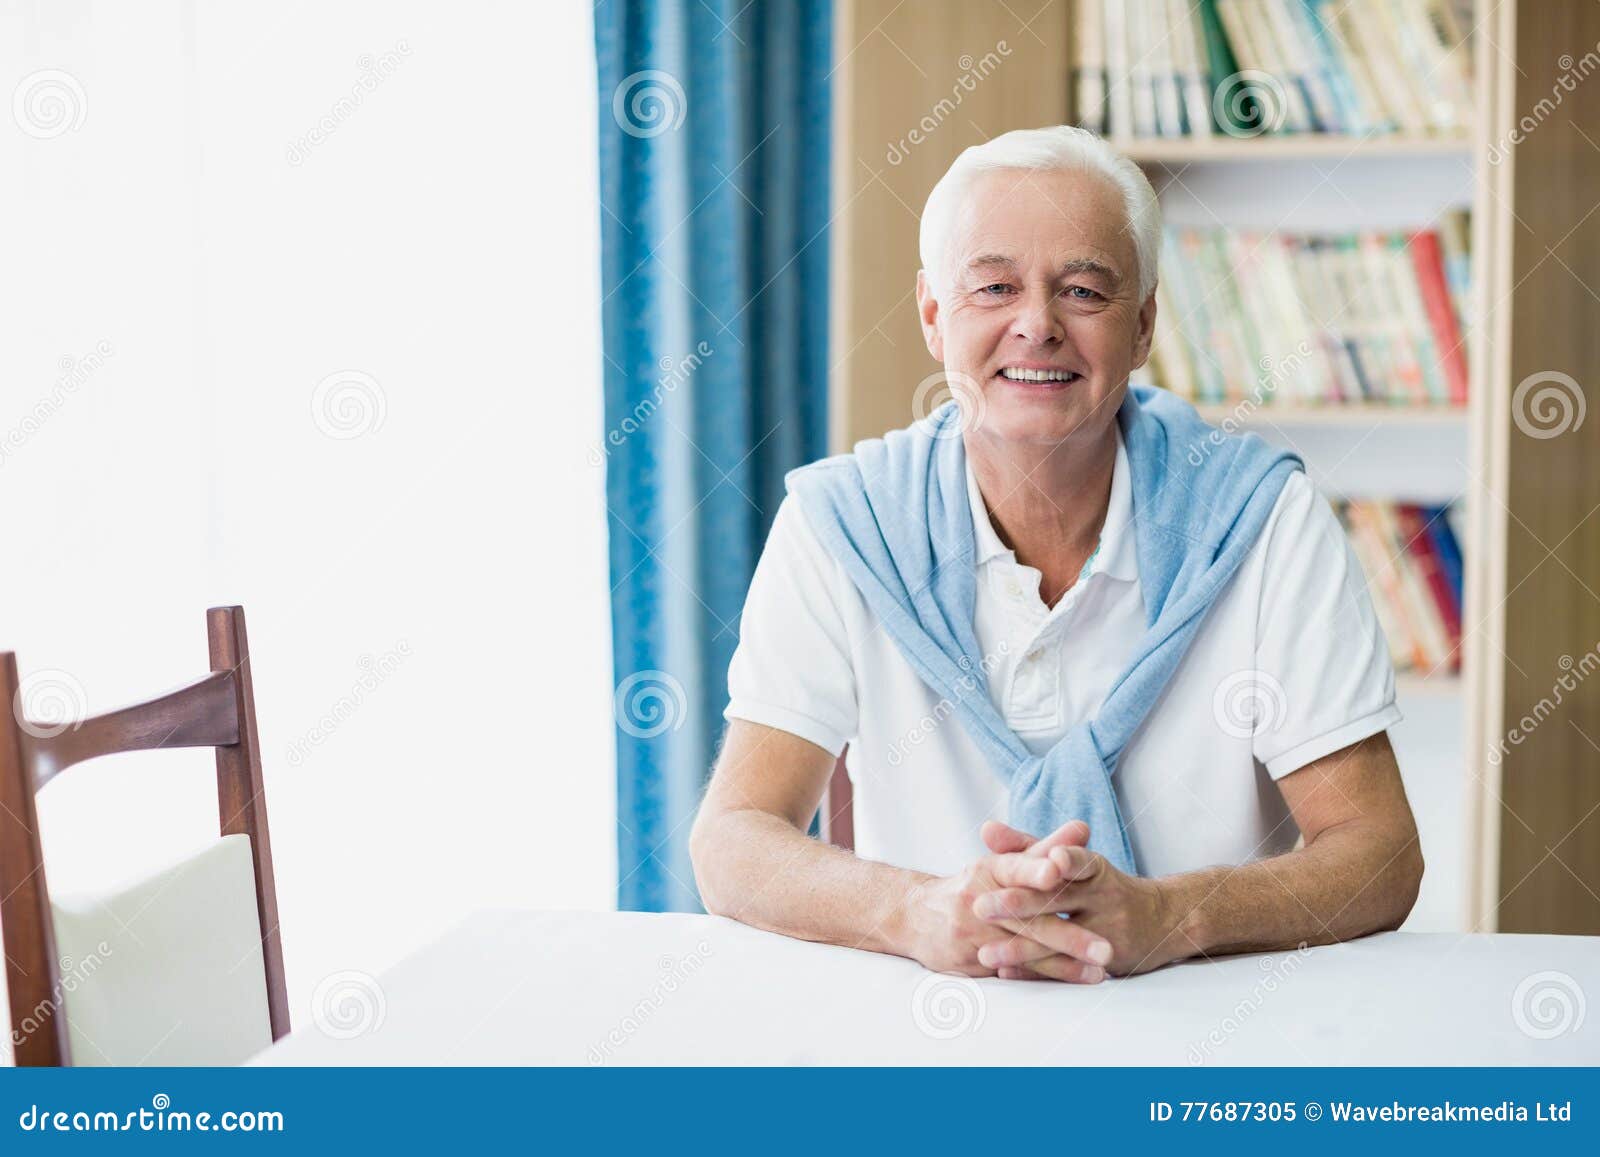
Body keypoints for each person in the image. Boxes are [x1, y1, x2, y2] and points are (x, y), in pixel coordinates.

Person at [689, 125, 1423, 984]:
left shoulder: (1264, 518)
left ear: (1144, 323)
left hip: (1206, 1036)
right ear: (934, 314)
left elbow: (1379, 853)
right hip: (930, 1038)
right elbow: (732, 840)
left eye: (1083, 291)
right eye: (994, 287)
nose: (1035, 325)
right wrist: (915, 911)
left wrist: (1170, 914)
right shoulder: (842, 523)